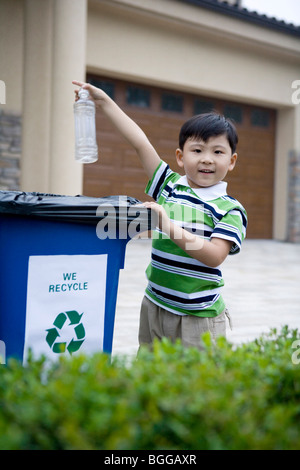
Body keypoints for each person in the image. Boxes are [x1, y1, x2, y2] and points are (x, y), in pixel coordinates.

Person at [72, 80, 247, 350]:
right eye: (197, 150)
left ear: (231, 161)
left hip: (197, 317)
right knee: (154, 379)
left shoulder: (230, 209)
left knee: (197, 386)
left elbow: (214, 256)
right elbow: (140, 142)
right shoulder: (170, 185)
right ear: (180, 156)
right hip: (154, 306)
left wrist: (168, 225)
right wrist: (104, 101)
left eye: (218, 152)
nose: (207, 159)